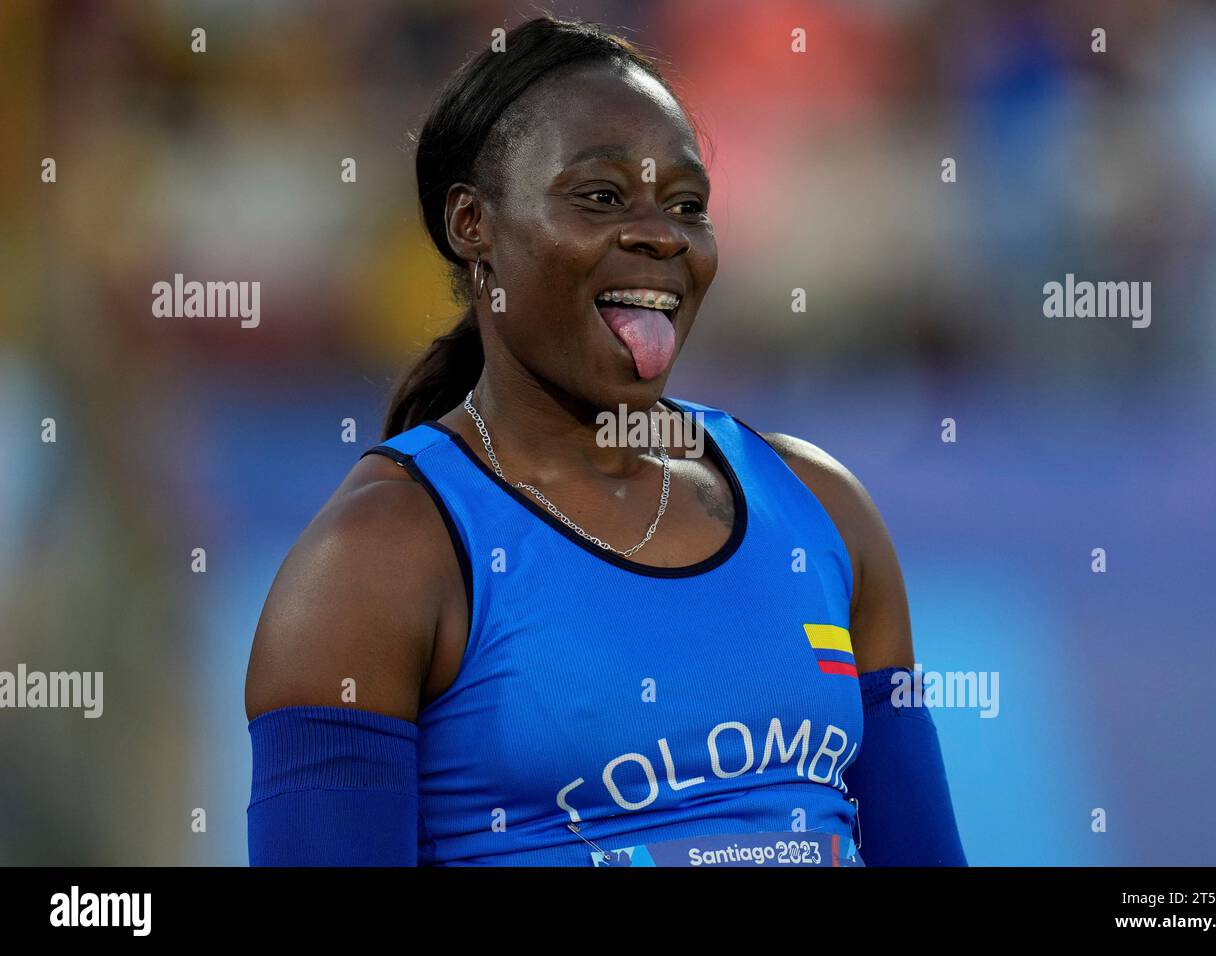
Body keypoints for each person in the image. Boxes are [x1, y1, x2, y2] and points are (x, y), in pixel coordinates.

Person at [244, 14, 966, 867]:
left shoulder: (821, 511)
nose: (661, 236)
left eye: (688, 206)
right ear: (473, 224)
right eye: (600, 197)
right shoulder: (376, 563)